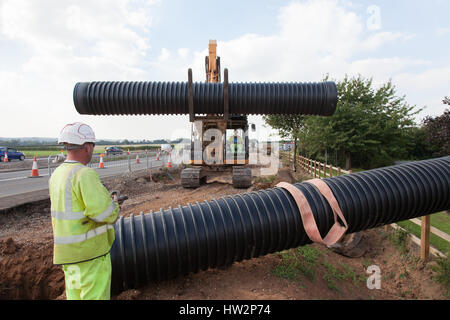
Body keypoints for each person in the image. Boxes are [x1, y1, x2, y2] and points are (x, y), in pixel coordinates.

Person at [49, 122, 120, 300]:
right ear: (87, 147)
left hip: (68, 256)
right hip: (90, 255)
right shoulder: (83, 174)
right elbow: (104, 213)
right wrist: (115, 204)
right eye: (93, 146)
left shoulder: (57, 174)